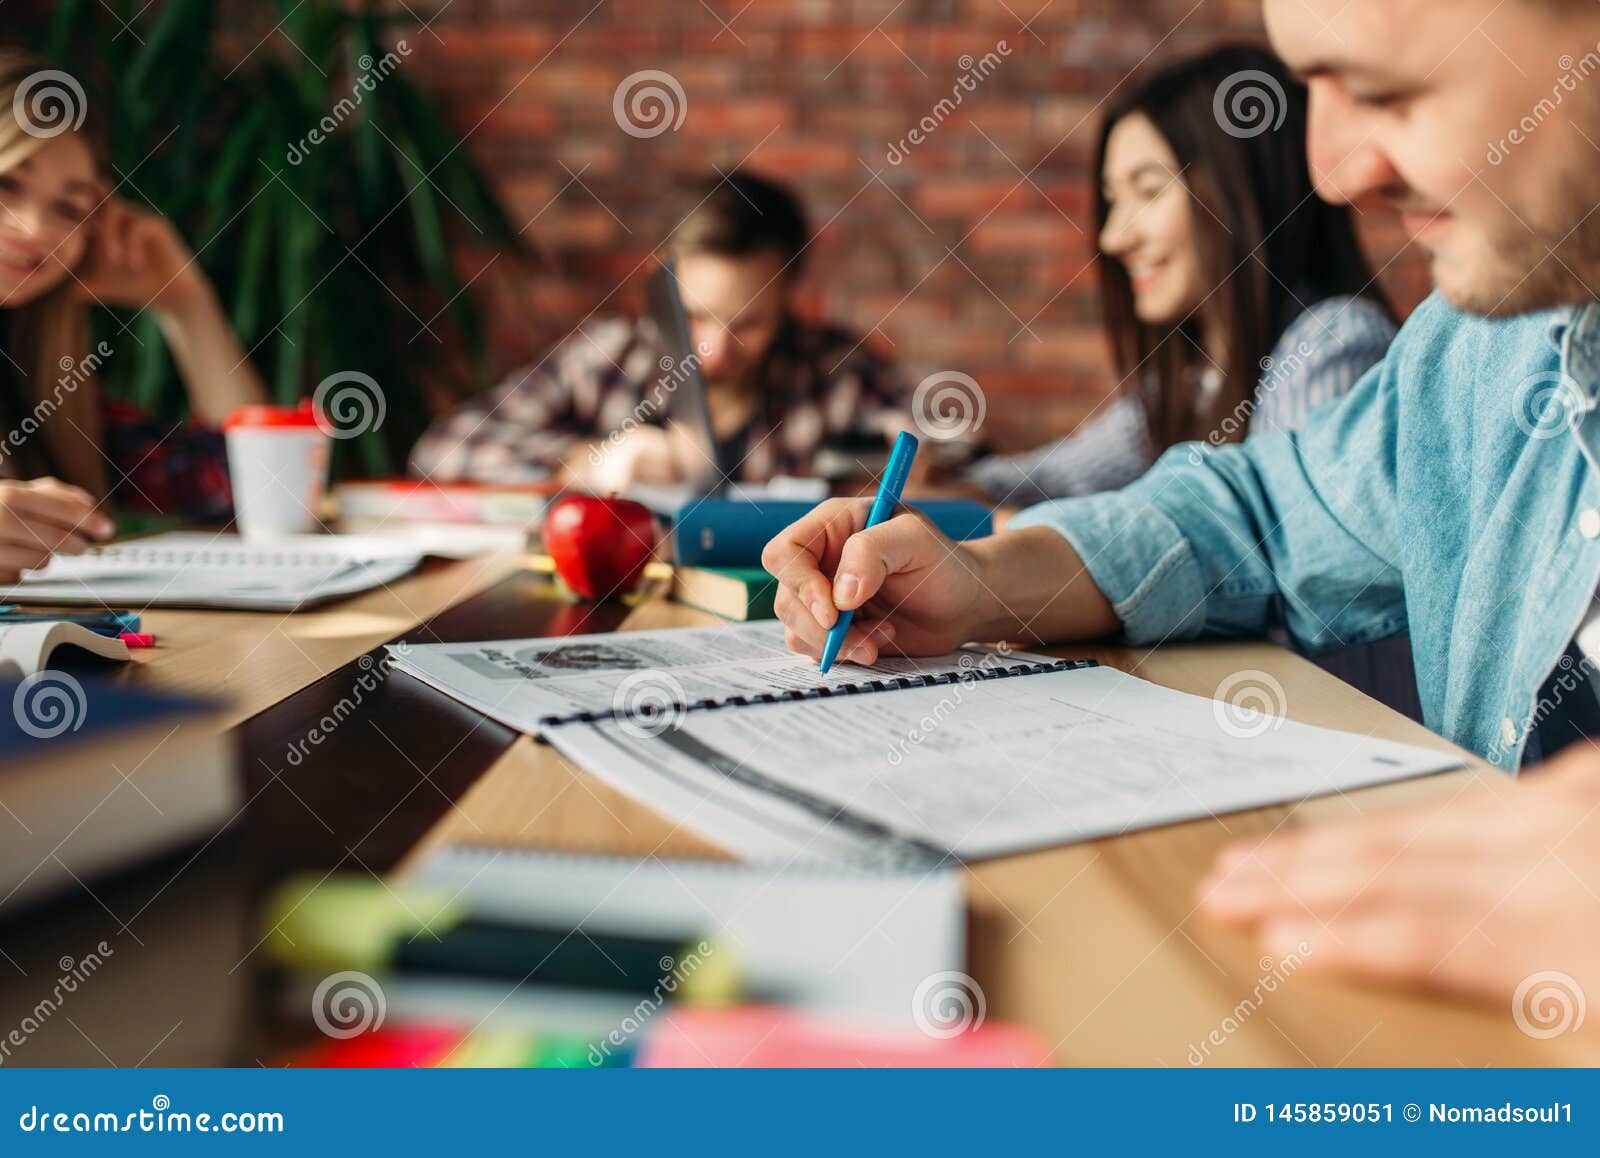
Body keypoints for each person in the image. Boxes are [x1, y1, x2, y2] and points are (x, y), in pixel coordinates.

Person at [763, 0, 1600, 1016]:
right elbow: (1253, 509)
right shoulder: (1478, 351)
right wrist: (987, 580)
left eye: (1383, 91)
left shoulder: (1343, 336)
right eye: (1308, 90)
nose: (1330, 171)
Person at [967, 44, 1394, 508]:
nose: (1113, 238)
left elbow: (1271, 551)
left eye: (1148, 191)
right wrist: (945, 483)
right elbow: (1055, 476)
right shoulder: (1197, 376)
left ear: (1242, 194)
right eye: (1113, 200)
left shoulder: (1333, 342)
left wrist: (1027, 541)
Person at [409, 169, 909, 491]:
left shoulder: (840, 371)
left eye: (748, 324)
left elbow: (977, 475)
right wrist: (588, 462)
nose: (714, 352)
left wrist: (920, 479)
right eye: (694, 316)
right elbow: (443, 449)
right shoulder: (607, 357)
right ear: (660, 283)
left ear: (790, 294)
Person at [0, 48, 267, 582]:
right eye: (6, 184)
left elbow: (247, 487)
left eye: (69, 209)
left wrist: (184, 300)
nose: (35, 230)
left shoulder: (41, 388)